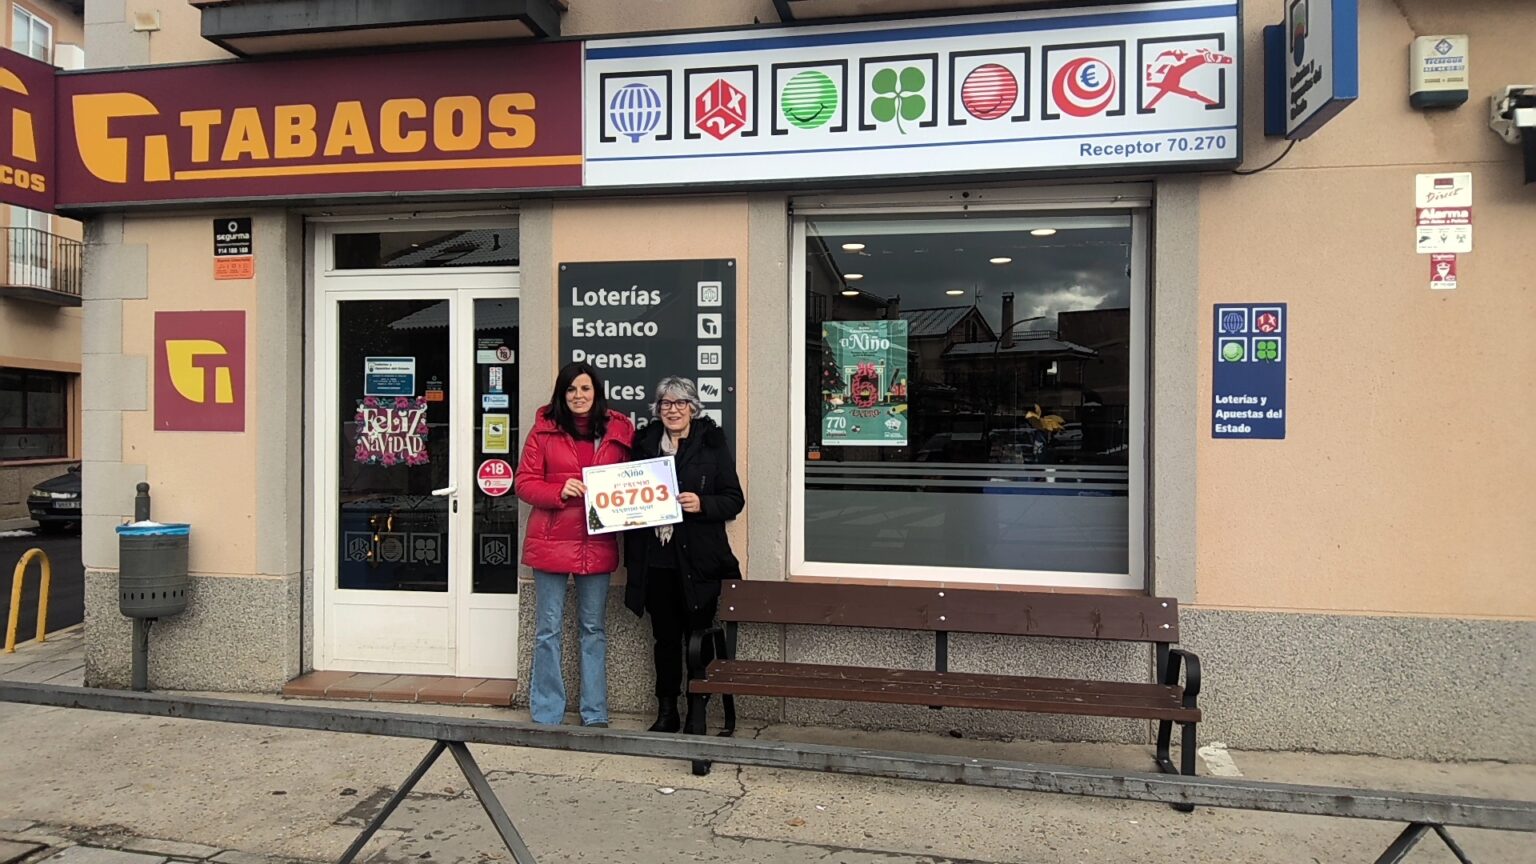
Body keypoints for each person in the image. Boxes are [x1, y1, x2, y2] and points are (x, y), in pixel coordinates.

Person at [516, 361, 634, 726]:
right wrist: (557, 490)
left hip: (597, 541)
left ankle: (595, 712)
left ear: (596, 392)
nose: (578, 397)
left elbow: (633, 480)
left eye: (585, 389)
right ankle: (548, 711)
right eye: (571, 390)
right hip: (551, 541)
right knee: (547, 629)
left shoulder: (619, 431)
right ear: (561, 395)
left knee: (593, 630)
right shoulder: (543, 432)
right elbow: (523, 482)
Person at [623, 376, 744, 734]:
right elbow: (626, 493)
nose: (673, 410)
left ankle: (697, 710)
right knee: (664, 638)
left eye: (680, 403)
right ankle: (666, 711)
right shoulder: (645, 444)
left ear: (693, 407)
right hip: (656, 558)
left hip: (699, 560)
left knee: (699, 636)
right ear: (657, 409)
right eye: (665, 403)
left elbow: (734, 499)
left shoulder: (711, 442)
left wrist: (701, 503)